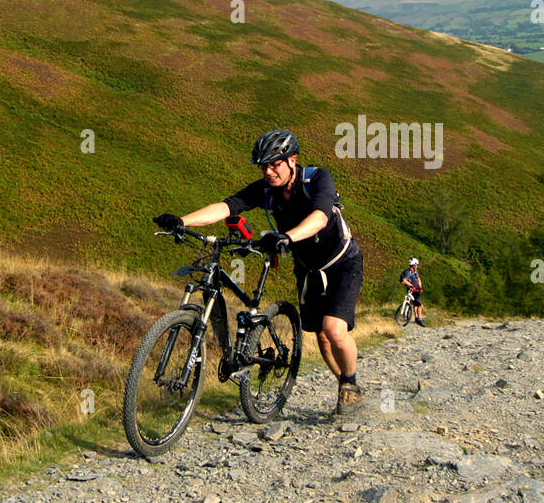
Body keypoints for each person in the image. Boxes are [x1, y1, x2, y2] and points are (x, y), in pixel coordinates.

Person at [154, 129, 366, 415]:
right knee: (321, 337)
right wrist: (183, 220)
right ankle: (343, 383)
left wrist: (288, 237)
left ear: (292, 160)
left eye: (274, 164)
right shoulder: (266, 189)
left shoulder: (316, 179)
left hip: (342, 262)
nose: (268, 171)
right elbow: (227, 206)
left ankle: (350, 383)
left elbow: (319, 218)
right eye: (263, 166)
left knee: (334, 329)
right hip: (308, 267)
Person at [400, 257, 425, 326]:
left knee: (415, 304)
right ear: (413, 265)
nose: (417, 266)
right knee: (420, 305)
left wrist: (420, 287)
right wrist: (412, 286)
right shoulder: (408, 272)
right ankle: (419, 319)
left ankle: (416, 318)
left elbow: (418, 279)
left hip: (416, 289)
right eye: (416, 265)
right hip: (412, 290)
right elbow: (404, 281)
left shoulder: (414, 272)